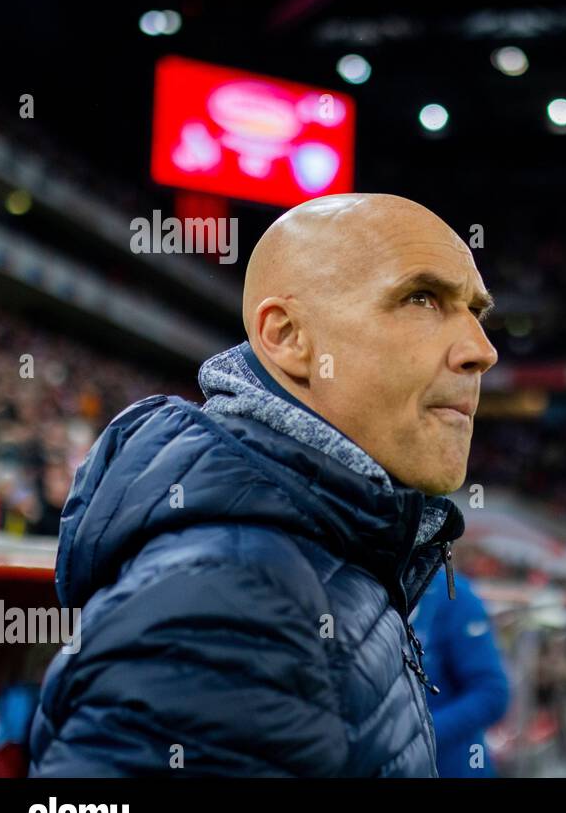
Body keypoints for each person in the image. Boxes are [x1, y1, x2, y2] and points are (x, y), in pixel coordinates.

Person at [29, 193, 498, 777]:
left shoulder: (323, 558)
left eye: (475, 312)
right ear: (287, 335)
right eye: (421, 298)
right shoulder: (230, 604)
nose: (482, 351)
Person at [411, 570, 509, 777]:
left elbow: (492, 694)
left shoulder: (451, 594)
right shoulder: (359, 588)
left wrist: (418, 736)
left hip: (452, 766)